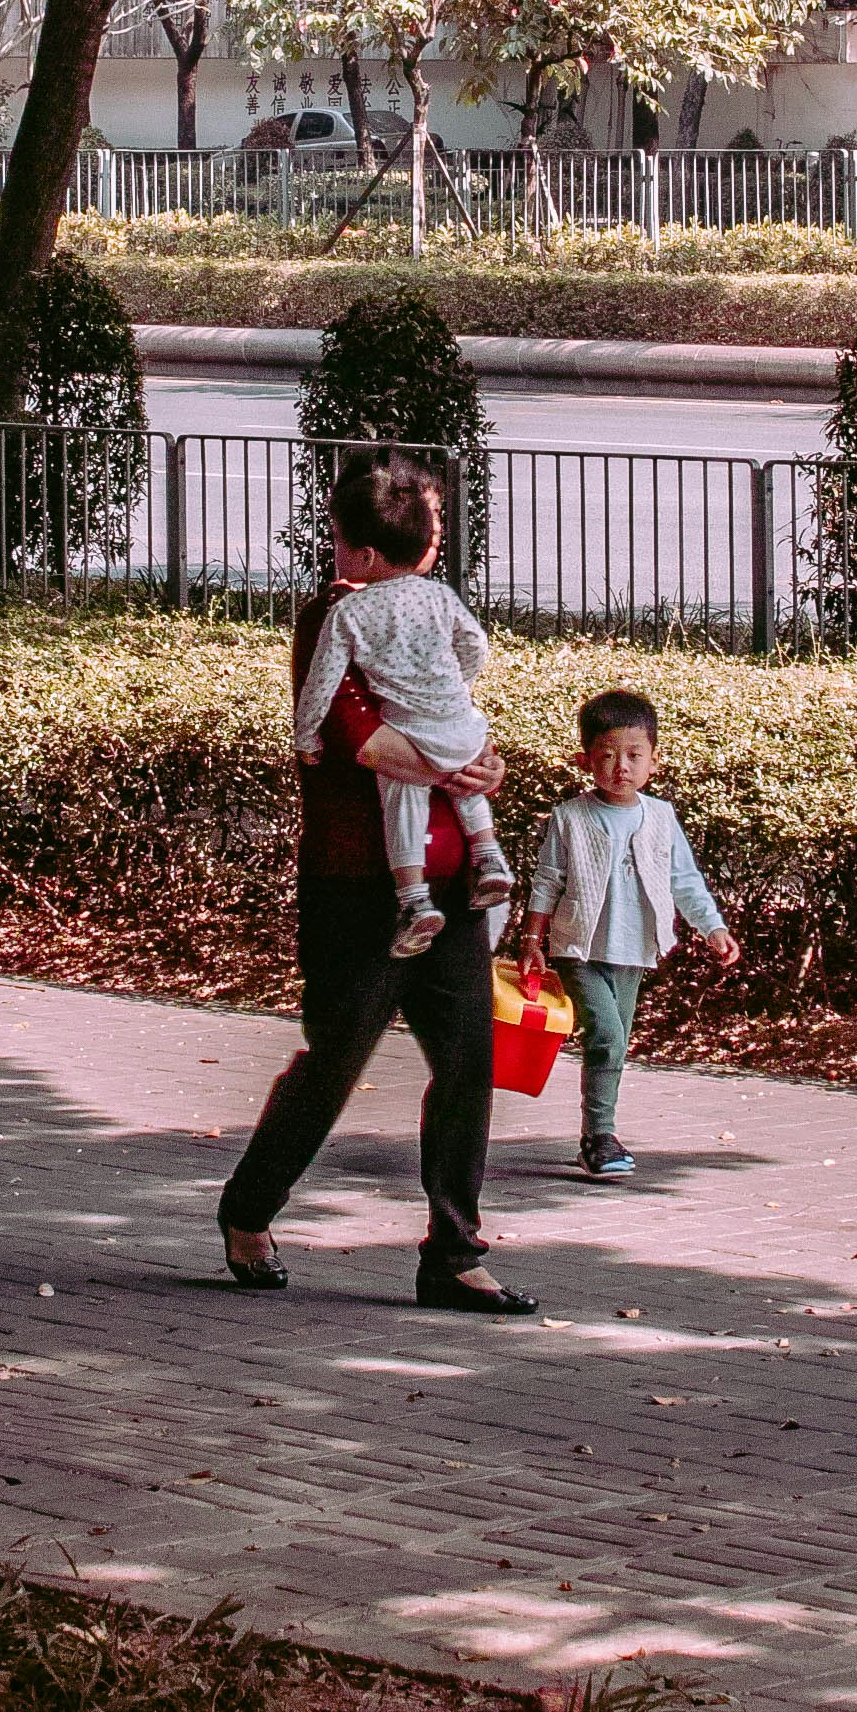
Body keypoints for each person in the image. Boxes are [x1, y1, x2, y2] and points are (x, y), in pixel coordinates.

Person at [217, 452, 534, 1314]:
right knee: (337, 1062)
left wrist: (481, 759)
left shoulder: (428, 613)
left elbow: (459, 700)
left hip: (454, 883)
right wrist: (457, 767)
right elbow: (355, 735)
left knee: (469, 1062)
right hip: (360, 884)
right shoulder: (333, 617)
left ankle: (455, 1253)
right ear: (352, 547)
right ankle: (248, 1209)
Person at [283, 472, 514, 951]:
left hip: (415, 742)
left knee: (402, 790)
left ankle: (413, 898)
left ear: (365, 554)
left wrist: (305, 739)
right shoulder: (441, 597)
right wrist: (457, 689)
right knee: (455, 766)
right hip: (458, 722)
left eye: (336, 537)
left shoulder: (348, 614)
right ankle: (490, 856)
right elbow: (475, 645)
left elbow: (320, 690)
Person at [511, 687, 735, 1180]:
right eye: (607, 756)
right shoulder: (571, 817)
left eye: (634, 755)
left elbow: (683, 878)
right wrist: (532, 941)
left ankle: (596, 1135)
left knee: (614, 1042)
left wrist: (712, 926)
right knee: (607, 1037)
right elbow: (548, 880)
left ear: (654, 759)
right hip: (578, 947)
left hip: (635, 947)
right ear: (585, 759)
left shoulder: (660, 816)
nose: (621, 768)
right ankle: (600, 1136)